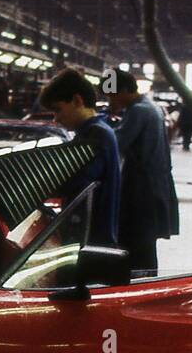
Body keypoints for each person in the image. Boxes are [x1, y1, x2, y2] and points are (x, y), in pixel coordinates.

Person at [38, 67, 121, 246]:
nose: (56, 119)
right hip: (92, 235)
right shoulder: (95, 131)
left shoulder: (96, 134)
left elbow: (74, 181)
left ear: (77, 100)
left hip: (92, 237)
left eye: (58, 109)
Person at [108, 69, 178, 272]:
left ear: (124, 90)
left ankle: (138, 285)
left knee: (136, 241)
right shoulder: (150, 107)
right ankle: (145, 280)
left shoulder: (139, 110)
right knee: (145, 244)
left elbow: (117, 142)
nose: (112, 100)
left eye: (113, 95)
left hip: (142, 188)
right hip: (152, 184)